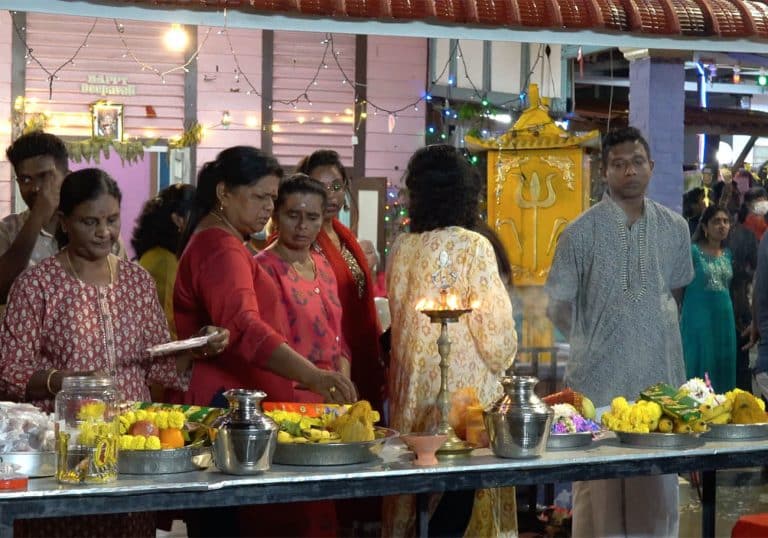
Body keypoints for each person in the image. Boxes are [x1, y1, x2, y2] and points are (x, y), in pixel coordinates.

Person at [0, 168, 227, 538]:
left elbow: (157, 364)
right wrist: (63, 383)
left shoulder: (137, 282)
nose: (104, 232)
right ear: (63, 222)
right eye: (90, 221)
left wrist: (199, 346)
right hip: (67, 449)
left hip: (131, 446)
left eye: (111, 220)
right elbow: (7, 372)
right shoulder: (36, 286)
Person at [546, 126, 694, 537]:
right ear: (604, 172)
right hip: (597, 387)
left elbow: (675, 293)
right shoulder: (579, 233)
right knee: (599, 503)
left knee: (657, 498)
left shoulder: (675, 228)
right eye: (619, 164)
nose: (629, 170)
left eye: (637, 162)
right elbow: (556, 304)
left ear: (652, 167)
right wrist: (591, 340)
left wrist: (645, 328)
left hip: (658, 385)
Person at [383, 144, 518, 538]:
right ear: (464, 193)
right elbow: (496, 338)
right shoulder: (473, 245)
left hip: (412, 394)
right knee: (460, 502)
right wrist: (507, 356)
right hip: (464, 400)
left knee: (419, 497)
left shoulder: (402, 247)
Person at [296, 150, 385, 414]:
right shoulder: (297, 240)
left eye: (336, 186)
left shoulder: (345, 236)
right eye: (319, 188)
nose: (330, 195)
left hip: (361, 351)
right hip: (323, 359)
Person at [1, 132, 124, 310]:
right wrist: (37, 217)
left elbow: (121, 294)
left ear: (67, 177)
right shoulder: (7, 231)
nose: (35, 188)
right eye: (26, 179)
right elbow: (3, 292)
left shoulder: (100, 233)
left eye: (44, 177)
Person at [255, 174, 350, 401]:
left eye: (312, 217)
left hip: (332, 398)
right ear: (275, 215)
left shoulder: (323, 264)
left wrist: (342, 387)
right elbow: (265, 343)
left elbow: (339, 336)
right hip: (288, 400)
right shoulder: (262, 268)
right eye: (293, 215)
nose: (302, 226)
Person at [680, 205, 736, 393]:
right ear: (705, 227)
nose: (722, 226)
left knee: (723, 363)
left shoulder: (728, 254)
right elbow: (679, 287)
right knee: (701, 363)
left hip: (724, 320)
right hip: (698, 320)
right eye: (716, 221)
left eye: (726, 221)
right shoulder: (693, 253)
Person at [131, 183, 196, 338]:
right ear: (178, 220)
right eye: (197, 216)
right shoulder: (165, 263)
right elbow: (166, 327)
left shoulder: (162, 256)